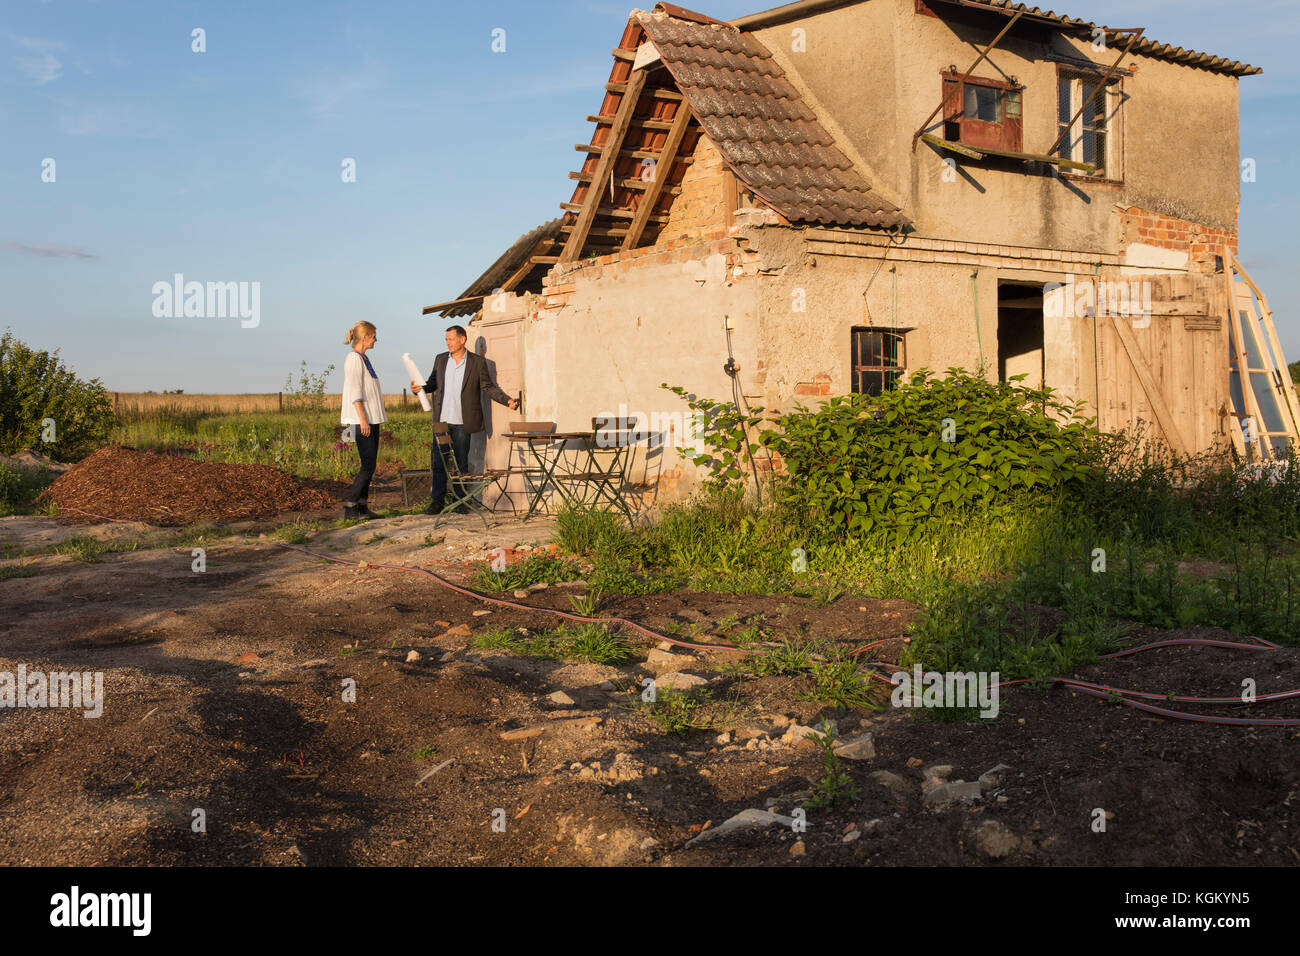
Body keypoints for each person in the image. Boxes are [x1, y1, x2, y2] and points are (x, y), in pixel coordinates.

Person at [411, 325, 518, 515]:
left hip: (462, 421)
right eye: (446, 339)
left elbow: (488, 387)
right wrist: (420, 388)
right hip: (441, 421)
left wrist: (507, 400)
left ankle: (461, 502)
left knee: (461, 463)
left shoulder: (477, 363)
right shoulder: (441, 359)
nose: (448, 343)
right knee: (439, 462)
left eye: (451, 339)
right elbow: (432, 384)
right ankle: (437, 502)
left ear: (462, 340)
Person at [340, 320, 386, 520]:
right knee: (367, 464)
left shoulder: (364, 358)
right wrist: (363, 419)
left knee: (371, 464)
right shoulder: (354, 359)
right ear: (366, 337)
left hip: (372, 418)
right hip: (362, 420)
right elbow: (354, 390)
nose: (376, 339)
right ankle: (350, 506)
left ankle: (362, 506)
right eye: (374, 336)